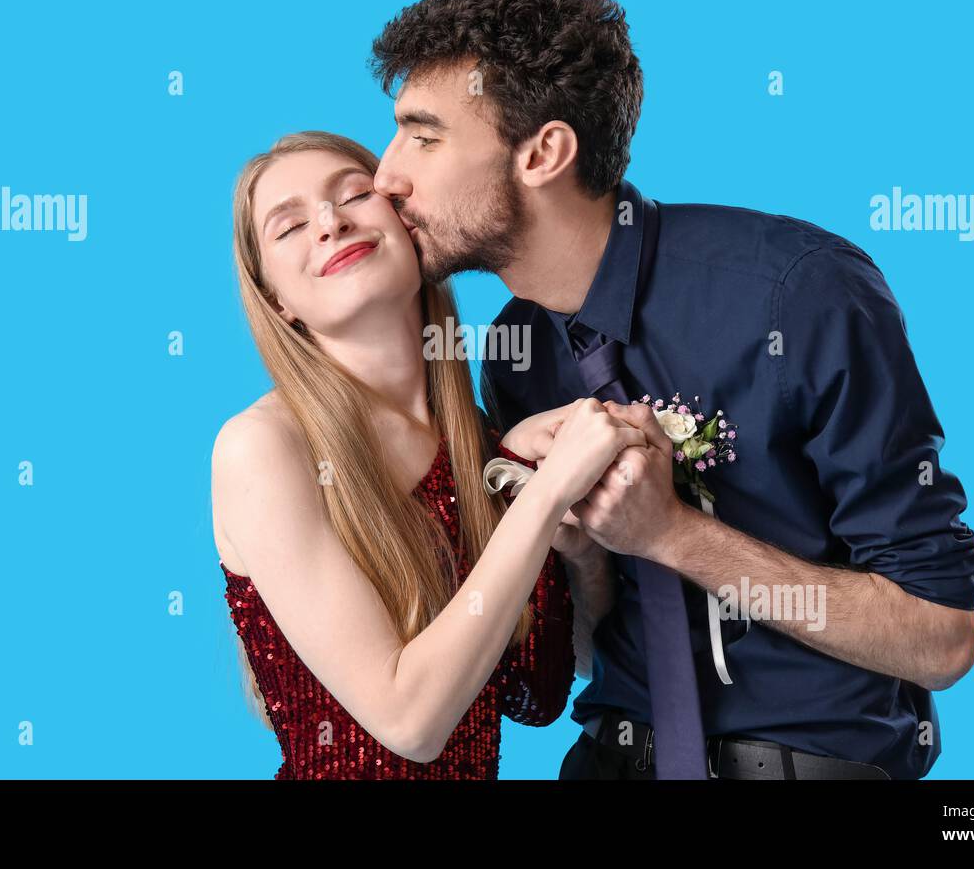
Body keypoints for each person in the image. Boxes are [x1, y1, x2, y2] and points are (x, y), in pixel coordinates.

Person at [369, 0, 974, 779]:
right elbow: (593, 652)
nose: (386, 175)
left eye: (425, 134)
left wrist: (674, 534)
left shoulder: (796, 295)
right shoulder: (518, 350)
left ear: (544, 152)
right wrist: (579, 551)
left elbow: (941, 637)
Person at [211, 129, 649, 779]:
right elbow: (408, 719)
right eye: (290, 226)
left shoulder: (475, 445)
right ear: (278, 301)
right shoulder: (263, 448)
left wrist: (571, 542)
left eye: (355, 193)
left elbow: (539, 694)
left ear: (406, 227)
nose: (330, 223)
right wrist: (551, 488)